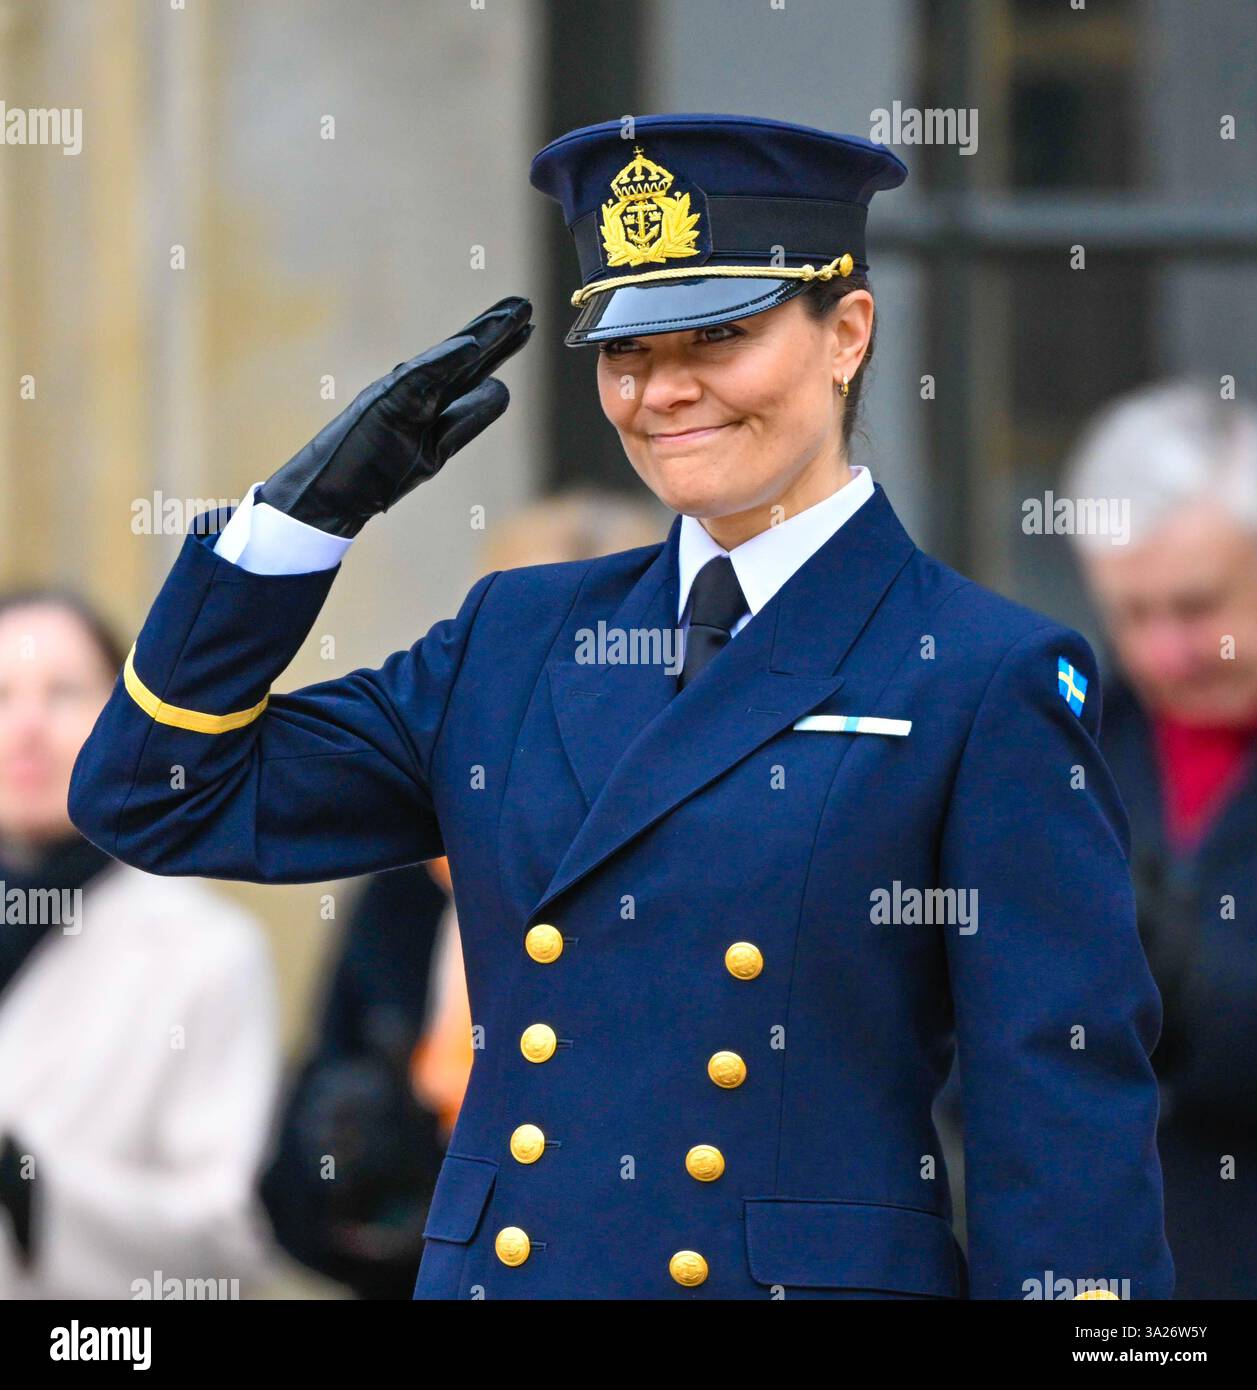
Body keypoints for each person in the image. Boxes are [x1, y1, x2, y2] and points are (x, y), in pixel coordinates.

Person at [68, 113, 1173, 1300]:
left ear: (846, 333)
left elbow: (1058, 1116)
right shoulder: (517, 637)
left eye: (722, 337)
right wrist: (292, 530)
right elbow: (157, 797)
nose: (664, 391)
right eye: (626, 350)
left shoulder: (978, 671)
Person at [0, 589, 279, 1298]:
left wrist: (29, 1190)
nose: (27, 727)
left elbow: (227, 1239)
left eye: (62, 693)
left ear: (120, 723)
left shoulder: (206, 949)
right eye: (2, 695)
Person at [1062, 381, 1257, 1299]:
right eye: (1133, 615)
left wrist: (1175, 974)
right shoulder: (1077, 740)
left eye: (1198, 608)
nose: (1165, 652)